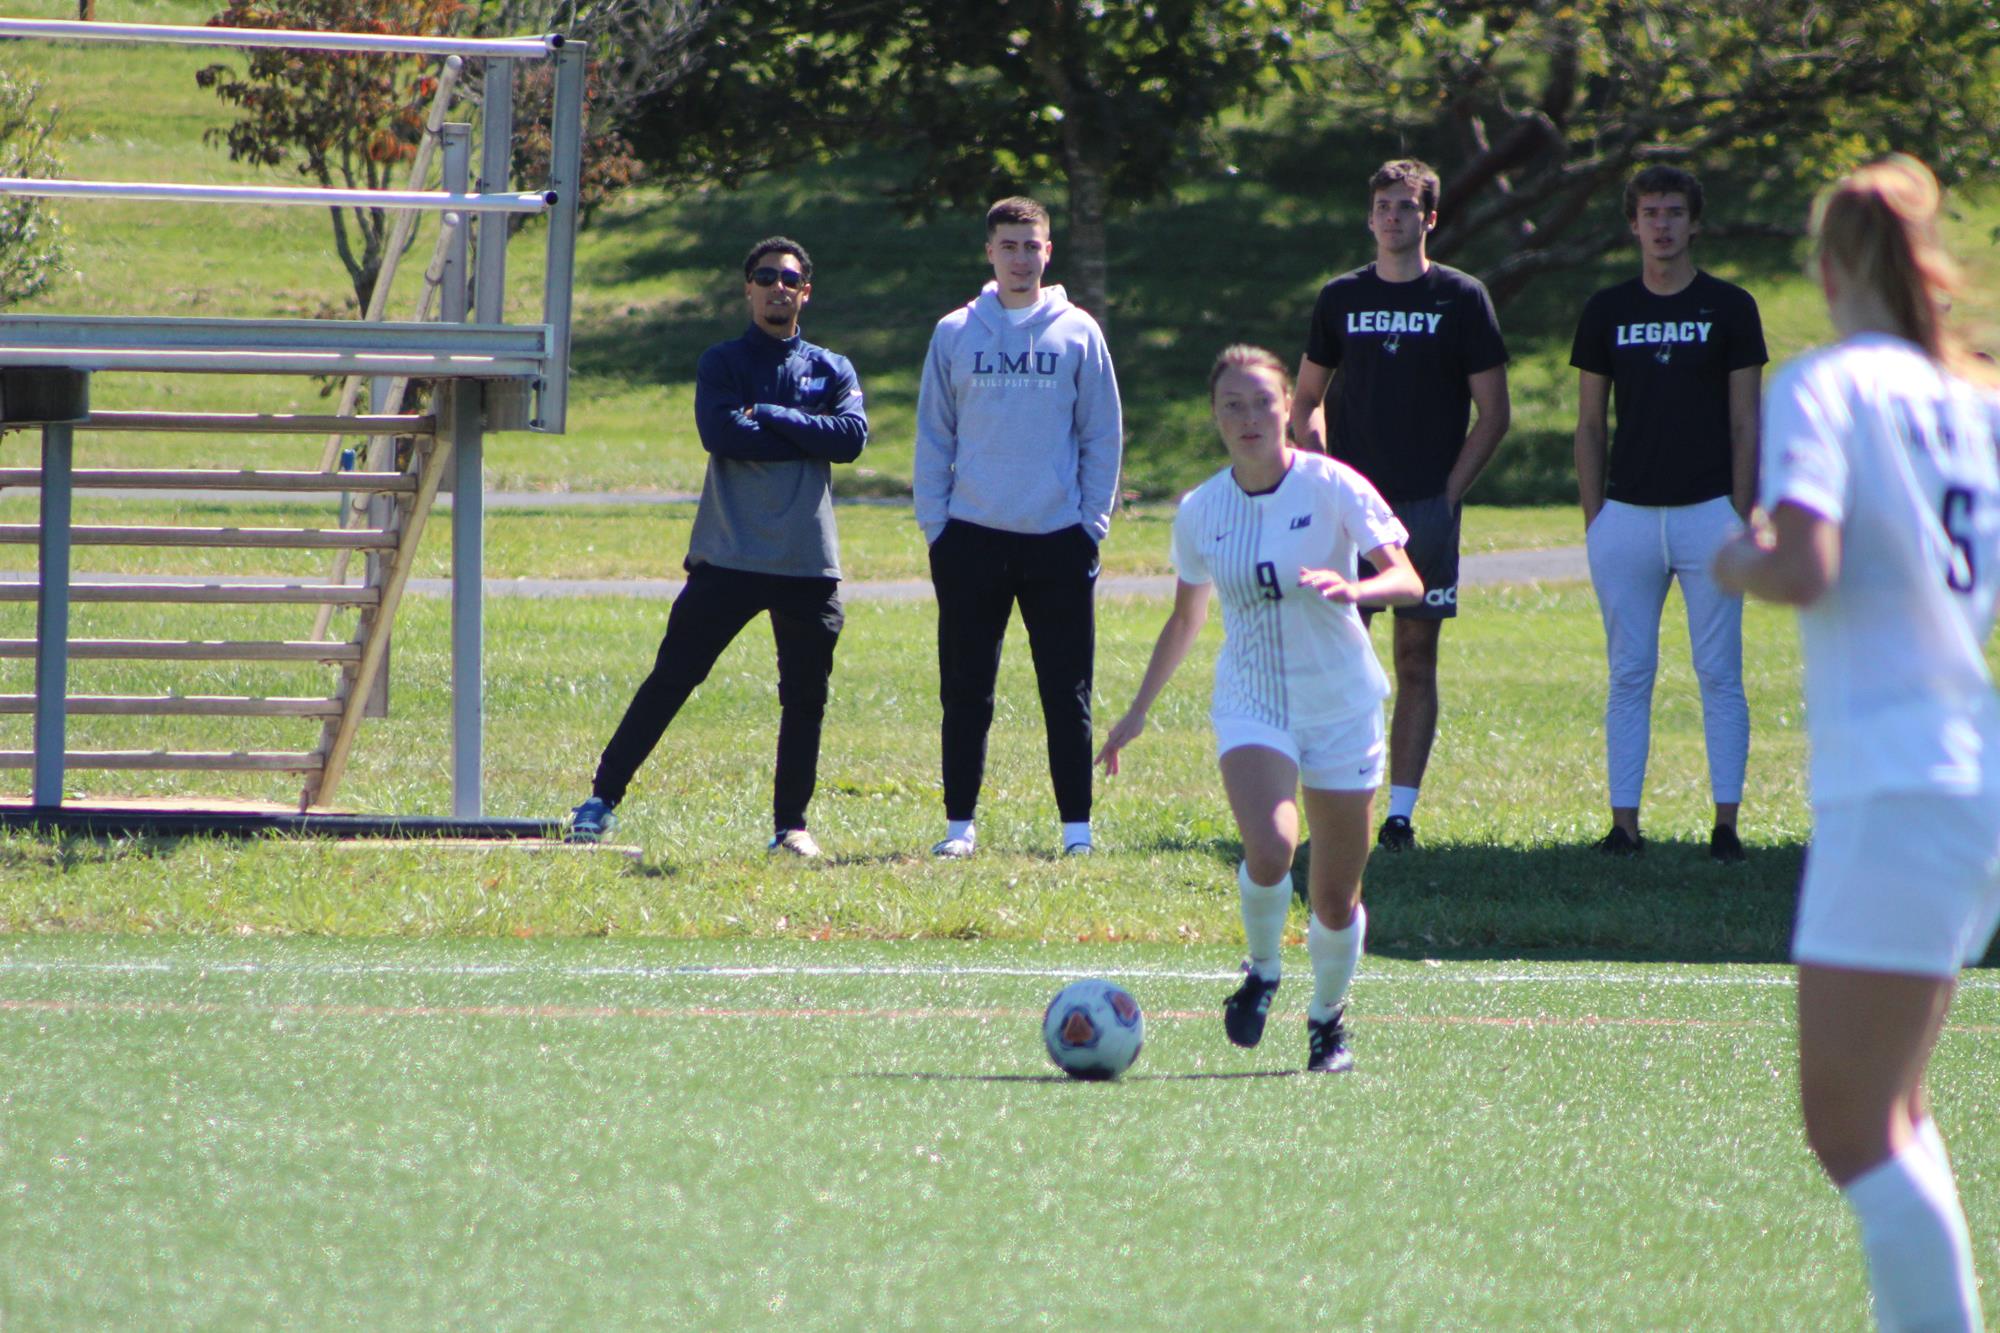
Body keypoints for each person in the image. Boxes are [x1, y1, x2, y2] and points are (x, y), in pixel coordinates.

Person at [1712, 155, 2000, 1332]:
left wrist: (1733, 557)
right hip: (1964, 775)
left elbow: (1802, 563)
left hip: (1890, 782)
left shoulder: (1826, 386)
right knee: (1893, 1111)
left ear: (1829, 270)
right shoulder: (1975, 398)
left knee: (1848, 1129)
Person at [1099, 345, 1422, 1072]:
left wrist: (1356, 591)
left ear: (1290, 408)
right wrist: (1137, 711)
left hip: (1340, 703)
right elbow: (1186, 618)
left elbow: (1406, 577)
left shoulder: (1334, 486)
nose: (1249, 418)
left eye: (1263, 402)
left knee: (1335, 899)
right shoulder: (1202, 509)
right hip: (1253, 700)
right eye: (1232, 406)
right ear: (1215, 416)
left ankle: (1326, 1021)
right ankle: (1263, 968)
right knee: (1271, 849)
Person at [567, 237, 867, 853]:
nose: (777, 287)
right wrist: (803, 432)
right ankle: (601, 799)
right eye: (765, 277)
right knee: (672, 679)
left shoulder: (832, 367)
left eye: (789, 279)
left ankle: (792, 828)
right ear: (748, 288)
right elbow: (722, 434)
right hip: (727, 556)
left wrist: (775, 416)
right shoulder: (722, 362)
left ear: (805, 291)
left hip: (808, 563)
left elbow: (851, 438)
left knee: (805, 698)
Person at [1291, 158, 1509, 852]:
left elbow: (1494, 413)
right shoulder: (1339, 297)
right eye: (1383, 205)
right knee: (1341, 655)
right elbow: (1304, 401)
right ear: (1370, 216)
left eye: (1407, 207)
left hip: (1424, 504)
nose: (1393, 216)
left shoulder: (1462, 296)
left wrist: (1446, 495)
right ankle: (1335, 800)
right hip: (1352, 511)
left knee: (1416, 657)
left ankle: (1401, 814)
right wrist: (1330, 481)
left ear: (1430, 218)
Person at [914, 196, 1124, 858]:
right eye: (1008, 245)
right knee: (966, 689)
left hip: (1058, 540)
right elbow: (931, 434)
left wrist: (1090, 522)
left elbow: (1102, 433)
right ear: (989, 252)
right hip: (970, 536)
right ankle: (959, 826)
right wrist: (936, 526)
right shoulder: (955, 332)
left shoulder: (1079, 332)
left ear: (1048, 252)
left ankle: (1076, 830)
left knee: (1067, 691)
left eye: (1031, 246)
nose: (1020, 258)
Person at [1571, 165, 1767, 860]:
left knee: (1719, 671)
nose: (1662, 224)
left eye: (1674, 212)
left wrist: (1740, 512)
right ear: (1633, 223)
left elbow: (1748, 421)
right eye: (1650, 212)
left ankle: (1726, 826)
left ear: (1693, 222)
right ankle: (1624, 826)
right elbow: (1590, 425)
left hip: (1708, 512)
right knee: (1629, 672)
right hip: (1626, 513)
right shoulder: (1606, 310)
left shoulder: (1731, 306)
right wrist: (1596, 517)